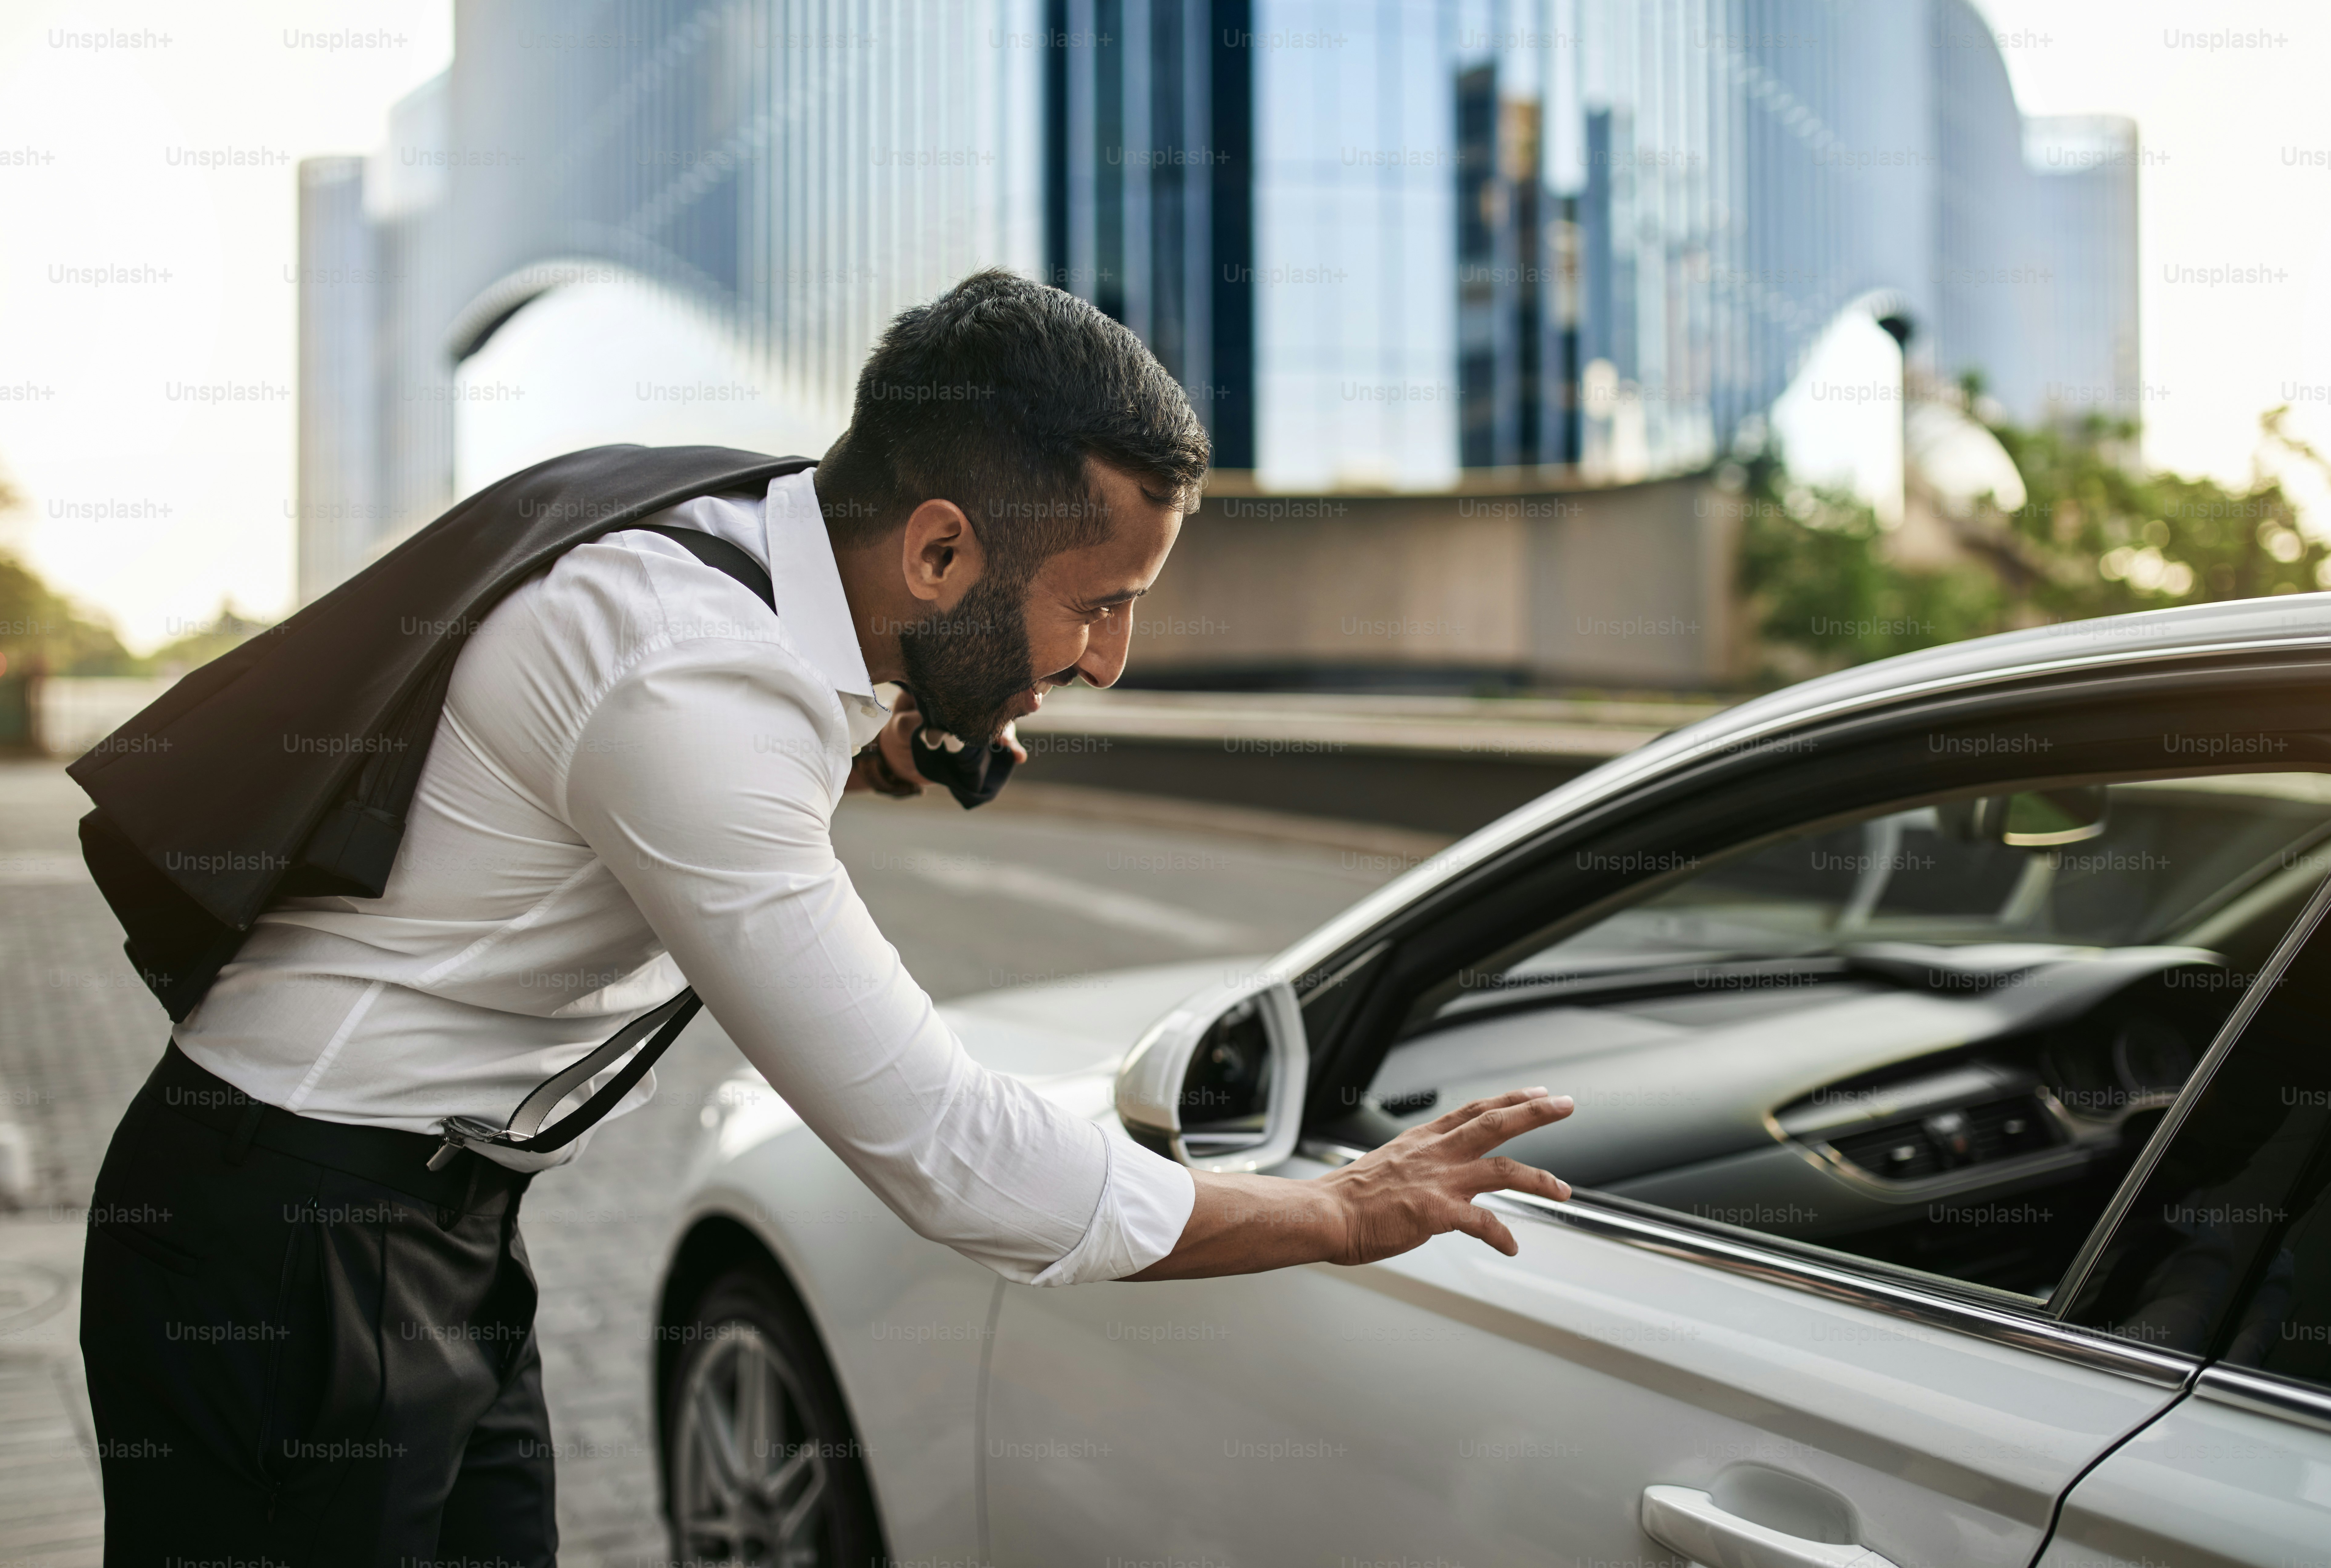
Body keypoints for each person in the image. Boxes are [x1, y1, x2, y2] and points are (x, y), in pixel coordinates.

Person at [79, 269, 1575, 1563]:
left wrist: (889, 716)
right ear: (935, 554)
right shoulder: (687, 680)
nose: (1112, 660)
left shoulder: (742, 532)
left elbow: (747, 697)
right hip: (284, 1242)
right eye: (1098, 601)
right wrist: (1332, 1210)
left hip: (430, 1221)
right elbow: (958, 1159)